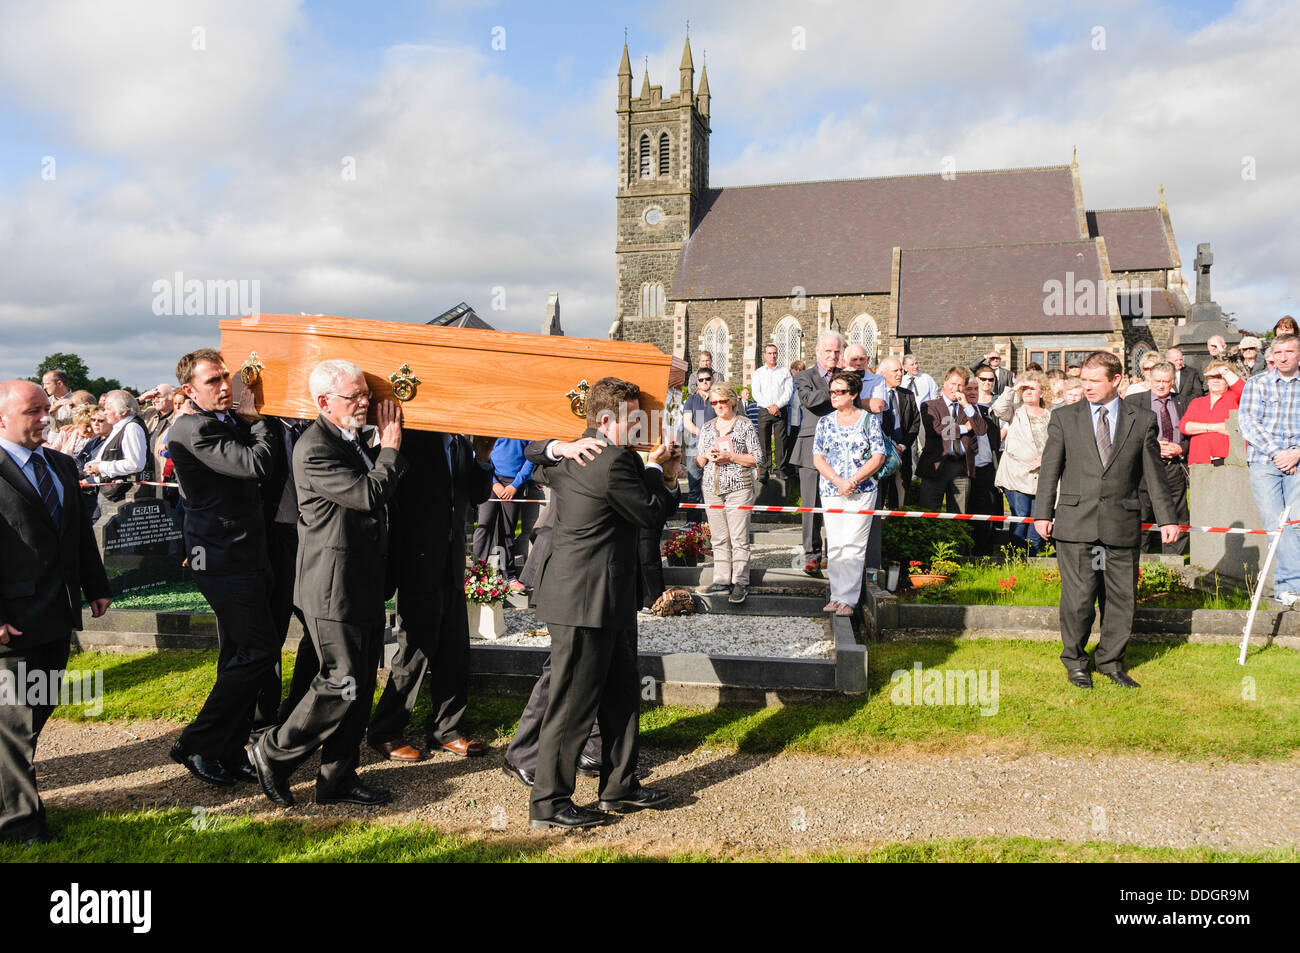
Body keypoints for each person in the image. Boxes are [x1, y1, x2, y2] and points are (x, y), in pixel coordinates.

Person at [523, 377, 680, 830]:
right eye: (635, 417)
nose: (643, 424)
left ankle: (619, 787)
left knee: (620, 695)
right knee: (573, 704)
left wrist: (557, 446)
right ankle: (550, 803)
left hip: (602, 596)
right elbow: (651, 513)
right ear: (608, 420)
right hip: (585, 599)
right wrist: (660, 471)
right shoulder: (613, 462)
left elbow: (535, 457)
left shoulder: (574, 455)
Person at [250, 360, 408, 808]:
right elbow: (367, 495)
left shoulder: (350, 439)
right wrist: (391, 446)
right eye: (354, 397)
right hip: (331, 588)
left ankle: (337, 777)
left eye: (365, 393)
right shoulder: (315, 447)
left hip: (361, 582)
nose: (365, 403)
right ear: (324, 403)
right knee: (341, 681)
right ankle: (273, 750)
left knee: (359, 687)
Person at [0, 380, 111, 845]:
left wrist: (95, 585)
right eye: (32, 411)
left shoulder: (62, 464)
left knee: (37, 708)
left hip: (57, 614)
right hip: (12, 621)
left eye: (47, 409)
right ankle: (20, 824)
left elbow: (79, 534)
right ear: (2, 418)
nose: (45, 417)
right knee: (15, 724)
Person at [164, 349, 279, 787]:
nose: (224, 386)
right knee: (260, 652)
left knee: (238, 653)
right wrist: (259, 420)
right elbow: (256, 465)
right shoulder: (193, 428)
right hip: (222, 558)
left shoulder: (218, 419)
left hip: (247, 553)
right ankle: (196, 741)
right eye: (212, 381)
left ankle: (225, 750)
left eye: (225, 377)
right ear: (188, 390)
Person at [1033, 351, 1179, 690]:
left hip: (1122, 521)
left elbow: (1153, 474)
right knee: (1079, 596)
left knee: (1121, 598)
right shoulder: (1065, 417)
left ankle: (1111, 661)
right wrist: (1042, 512)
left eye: (1094, 381)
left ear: (1116, 381)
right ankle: (1075, 661)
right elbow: (1050, 469)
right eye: (1083, 380)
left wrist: (1168, 518)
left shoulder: (1141, 419)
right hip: (1075, 521)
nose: (1087, 387)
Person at [366, 428, 493, 761]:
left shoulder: (462, 445)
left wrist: (483, 457)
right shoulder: (413, 439)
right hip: (416, 563)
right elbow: (391, 492)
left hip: (450, 564)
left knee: (455, 652)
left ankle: (446, 730)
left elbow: (477, 495)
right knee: (415, 653)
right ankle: (386, 731)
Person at [812, 371, 886, 616]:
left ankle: (848, 599)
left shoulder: (868, 420)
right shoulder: (825, 422)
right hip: (832, 490)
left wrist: (853, 480)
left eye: (840, 391)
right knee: (836, 544)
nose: (834, 396)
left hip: (861, 490)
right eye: (832, 391)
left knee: (853, 544)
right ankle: (836, 595)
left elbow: (878, 456)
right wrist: (837, 480)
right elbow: (818, 457)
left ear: (853, 394)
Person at [1236, 333, 1300, 607]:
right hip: (1265, 462)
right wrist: (1278, 453)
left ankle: (1287, 585)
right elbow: (1248, 424)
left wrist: (1296, 453)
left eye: (1290, 351)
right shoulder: (1257, 384)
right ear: (1271, 354)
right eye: (1279, 352)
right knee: (1276, 524)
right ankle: (1293, 584)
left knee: (1297, 524)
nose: (1283, 357)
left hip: (1298, 461)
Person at [695, 384, 760, 605]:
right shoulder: (707, 428)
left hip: (739, 487)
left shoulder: (745, 425)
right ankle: (722, 580)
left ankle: (740, 582)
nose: (718, 406)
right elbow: (698, 461)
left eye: (722, 401)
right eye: (714, 403)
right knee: (719, 538)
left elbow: (756, 458)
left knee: (739, 537)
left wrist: (730, 456)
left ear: (731, 401)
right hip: (712, 488)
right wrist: (706, 454)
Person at [1124, 362, 1190, 555]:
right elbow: (1125, 434)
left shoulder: (1184, 402)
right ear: (1149, 380)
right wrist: (1152, 446)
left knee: (1177, 512)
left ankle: (1173, 559)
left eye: (1165, 381)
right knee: (1143, 512)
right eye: (1157, 381)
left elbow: (1190, 436)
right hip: (1143, 467)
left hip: (1173, 467)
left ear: (1173, 381)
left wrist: (1180, 448)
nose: (1161, 385)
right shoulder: (1134, 401)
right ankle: (1140, 558)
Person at [792, 331, 844, 575]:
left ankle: (837, 555)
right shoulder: (805, 376)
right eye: (828, 351)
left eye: (836, 351)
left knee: (838, 505)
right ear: (817, 351)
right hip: (810, 448)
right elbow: (809, 400)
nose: (833, 356)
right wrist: (836, 388)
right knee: (811, 505)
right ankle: (811, 556)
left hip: (841, 449)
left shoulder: (848, 376)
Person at [992, 371, 1052, 554]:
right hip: (1016, 474)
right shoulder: (1015, 411)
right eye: (1024, 389)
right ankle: (1015, 557)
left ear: (1042, 392)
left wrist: (1044, 459)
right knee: (1020, 515)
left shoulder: (1051, 415)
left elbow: (1058, 442)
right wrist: (1014, 388)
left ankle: (1033, 556)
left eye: (1032, 388)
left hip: (1042, 476)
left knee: (1038, 517)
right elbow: (998, 409)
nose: (1027, 392)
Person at [917, 366, 987, 512]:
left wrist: (967, 405)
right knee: (928, 512)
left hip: (961, 467)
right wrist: (965, 428)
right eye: (953, 384)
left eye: (960, 385)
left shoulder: (967, 408)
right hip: (936, 465)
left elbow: (981, 430)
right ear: (945, 383)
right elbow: (936, 429)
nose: (956, 388)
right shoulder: (930, 405)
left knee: (959, 515)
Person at [472, 438, 537, 591]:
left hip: (515, 483)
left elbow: (532, 456)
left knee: (508, 530)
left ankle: (509, 575)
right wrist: (493, 482)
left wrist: (515, 485)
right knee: (484, 526)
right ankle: (477, 573)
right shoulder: (494, 420)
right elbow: (479, 450)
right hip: (490, 479)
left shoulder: (526, 425)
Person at [84, 390, 150, 503]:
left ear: (123, 411)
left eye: (108, 409)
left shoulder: (132, 428)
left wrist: (101, 467)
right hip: (110, 492)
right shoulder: (119, 427)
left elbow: (135, 464)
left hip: (120, 496)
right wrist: (93, 465)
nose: (104, 413)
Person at [964, 376, 1004, 555]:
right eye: (968, 389)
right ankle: (966, 550)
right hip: (965, 469)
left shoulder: (985, 412)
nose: (972, 392)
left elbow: (993, 439)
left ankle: (984, 551)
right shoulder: (958, 412)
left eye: (975, 389)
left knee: (986, 510)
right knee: (966, 511)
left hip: (987, 469)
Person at [1180, 361, 1245, 464]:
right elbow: (1185, 427)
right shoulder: (1197, 402)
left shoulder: (1235, 397)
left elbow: (1245, 390)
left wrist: (1223, 370)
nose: (1215, 381)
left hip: (1229, 462)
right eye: (1212, 377)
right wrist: (1217, 427)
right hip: (1199, 461)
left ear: (1227, 381)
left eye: (1220, 377)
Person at [876, 356, 919, 508]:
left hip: (903, 456)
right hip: (880, 458)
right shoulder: (875, 395)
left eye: (901, 370)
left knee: (900, 504)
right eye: (895, 370)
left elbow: (915, 424)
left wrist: (903, 446)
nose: (900, 374)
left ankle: (895, 530)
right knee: (877, 503)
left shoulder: (907, 395)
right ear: (883, 373)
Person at [751, 343, 793, 482]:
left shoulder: (784, 371)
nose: (772, 356)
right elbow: (756, 393)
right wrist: (770, 406)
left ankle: (780, 469)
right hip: (765, 409)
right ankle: (764, 470)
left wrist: (778, 405)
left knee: (781, 441)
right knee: (764, 440)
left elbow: (788, 391)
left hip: (781, 409)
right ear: (765, 355)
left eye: (774, 353)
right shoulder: (758, 373)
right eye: (769, 353)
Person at [681, 369, 716, 523]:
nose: (704, 382)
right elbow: (687, 421)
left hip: (715, 447)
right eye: (701, 380)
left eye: (707, 379)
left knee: (714, 488)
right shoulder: (691, 400)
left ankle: (713, 523)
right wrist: (701, 433)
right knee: (694, 487)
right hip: (694, 447)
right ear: (697, 382)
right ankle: (692, 523)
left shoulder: (718, 399)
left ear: (712, 379)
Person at [843, 344, 887, 413]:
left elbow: (877, 407)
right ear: (844, 361)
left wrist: (846, 402)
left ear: (868, 360)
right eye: (854, 359)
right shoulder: (839, 380)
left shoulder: (877, 380)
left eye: (862, 359)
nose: (858, 363)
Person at [782, 359, 806, 476]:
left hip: (799, 420)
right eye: (796, 369)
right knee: (787, 445)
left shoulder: (803, 385)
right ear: (791, 370)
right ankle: (787, 468)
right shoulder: (788, 384)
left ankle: (795, 469)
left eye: (801, 370)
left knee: (797, 445)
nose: (798, 372)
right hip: (788, 420)